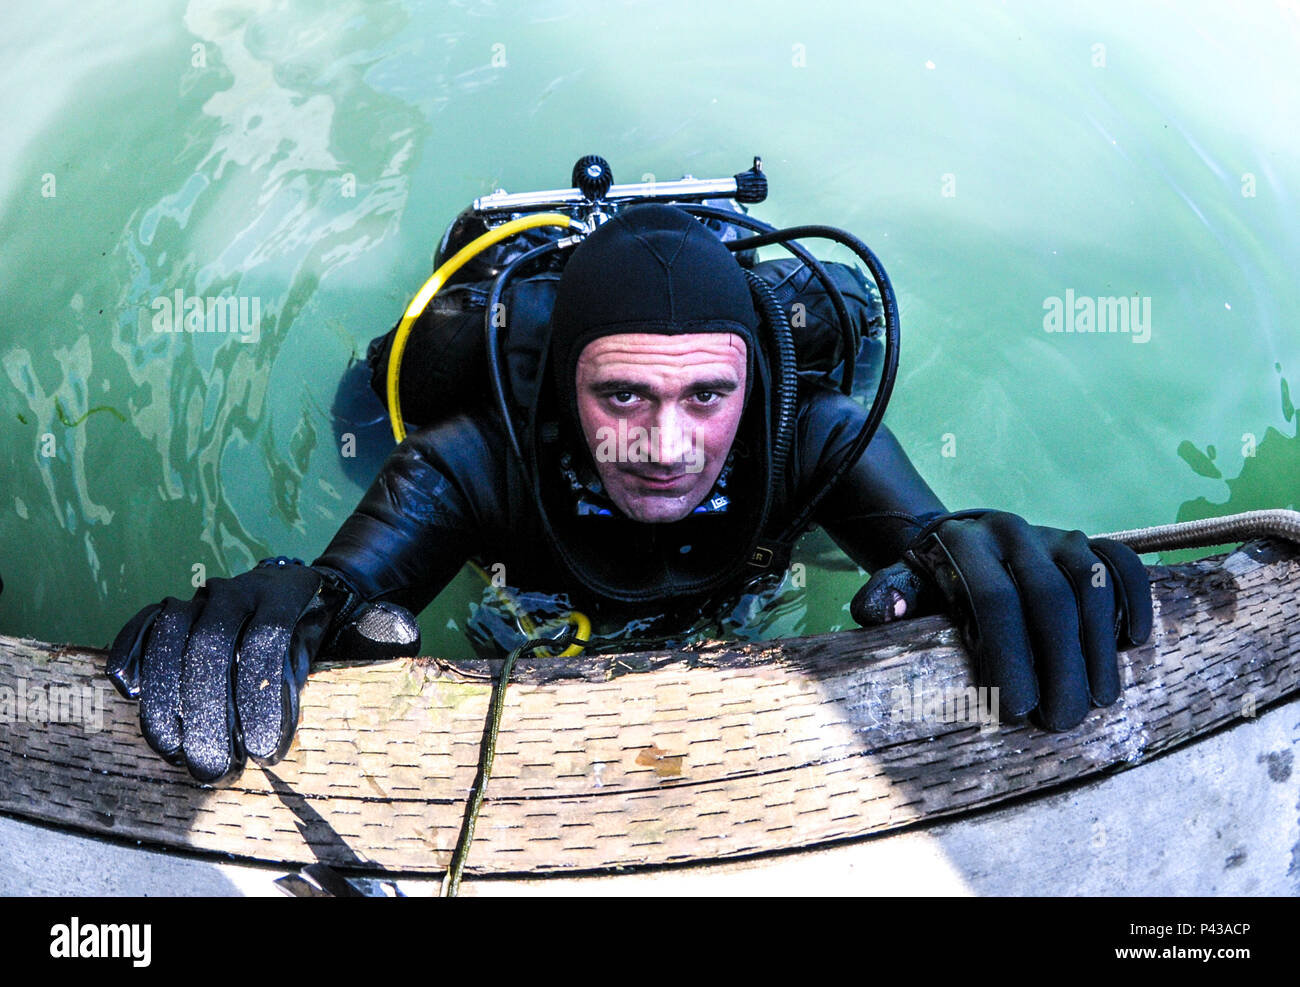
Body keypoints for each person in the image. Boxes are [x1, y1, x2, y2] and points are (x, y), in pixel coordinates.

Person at [107, 204, 1152, 784]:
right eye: (621, 394)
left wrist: (998, 560)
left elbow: (933, 539)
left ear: (756, 379)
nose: (666, 444)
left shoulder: (812, 429)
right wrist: (281, 608)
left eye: (707, 394)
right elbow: (340, 589)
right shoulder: (473, 456)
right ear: (566, 381)